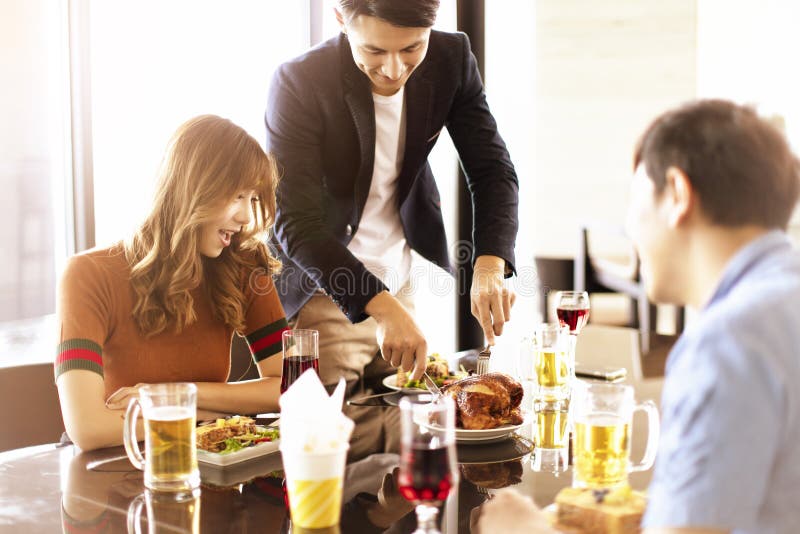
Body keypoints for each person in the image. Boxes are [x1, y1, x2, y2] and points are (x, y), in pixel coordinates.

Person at [477, 100, 800, 533]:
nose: (631, 226)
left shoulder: (727, 340)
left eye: (634, 197)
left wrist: (527, 530)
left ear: (677, 194)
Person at [265, 0, 519, 458]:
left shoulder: (451, 58)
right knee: (332, 443)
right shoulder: (300, 81)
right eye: (374, 51)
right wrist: (381, 308)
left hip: (397, 278)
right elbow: (294, 222)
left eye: (411, 48)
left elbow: (492, 170)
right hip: (324, 285)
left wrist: (489, 266)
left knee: (405, 433)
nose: (394, 68)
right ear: (341, 20)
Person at [55, 115, 289, 451]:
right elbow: (89, 428)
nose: (246, 218)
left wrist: (181, 395)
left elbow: (293, 390)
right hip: (115, 468)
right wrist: (202, 413)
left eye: (252, 199)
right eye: (237, 196)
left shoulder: (244, 266)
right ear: (193, 188)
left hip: (204, 464)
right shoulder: (87, 274)